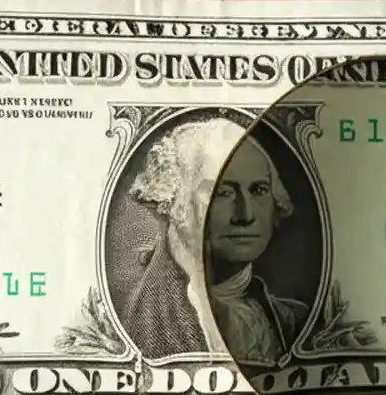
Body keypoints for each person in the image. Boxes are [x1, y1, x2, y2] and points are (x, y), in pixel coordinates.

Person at [119, 116, 308, 364]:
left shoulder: (293, 321)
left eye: (259, 190)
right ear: (176, 202)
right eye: (222, 191)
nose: (245, 215)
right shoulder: (138, 322)